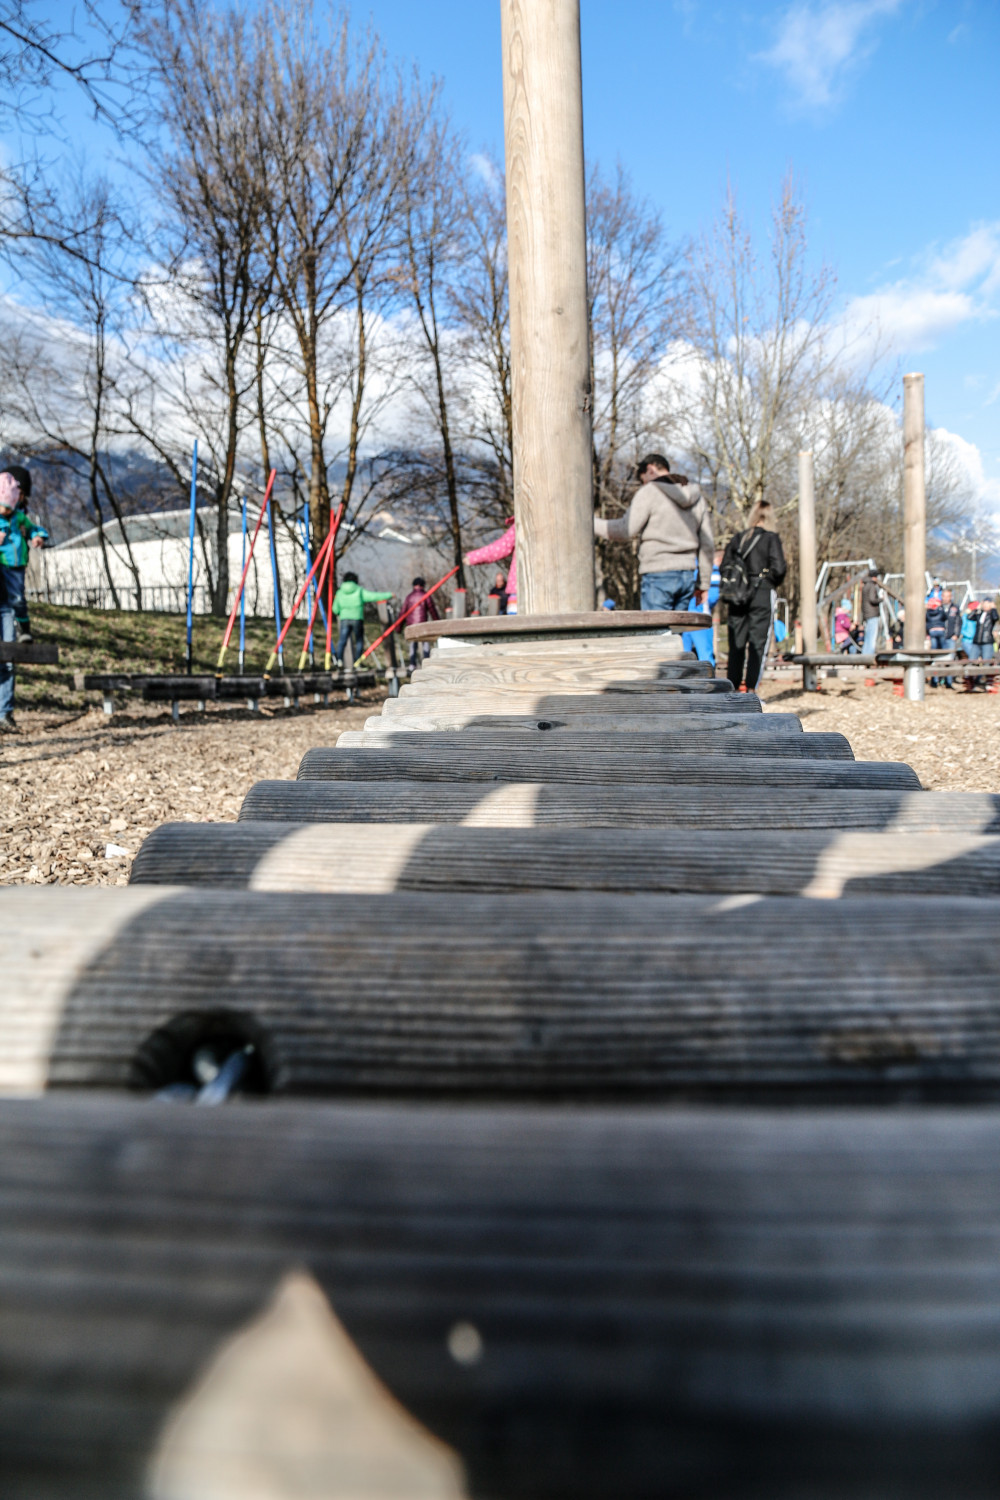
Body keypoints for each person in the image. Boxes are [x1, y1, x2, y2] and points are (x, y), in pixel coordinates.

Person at [594, 453, 713, 611]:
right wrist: (703, 583)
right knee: (676, 633)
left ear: (650, 470)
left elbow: (625, 530)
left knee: (656, 633)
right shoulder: (697, 499)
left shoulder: (650, 492)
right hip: (687, 575)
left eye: (643, 480)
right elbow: (707, 544)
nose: (644, 484)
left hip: (658, 573)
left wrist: (589, 524)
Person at [721, 499, 786, 691]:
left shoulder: (738, 539)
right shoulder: (771, 538)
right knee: (758, 643)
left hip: (737, 594)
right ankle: (751, 689)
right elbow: (779, 568)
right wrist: (768, 579)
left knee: (736, 643)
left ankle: (732, 690)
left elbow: (725, 565)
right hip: (761, 592)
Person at [0, 466, 47, 644]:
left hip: (16, 564)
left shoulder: (19, 517)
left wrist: (37, 536)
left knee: (17, 599)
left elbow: (33, 528)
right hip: (2, 563)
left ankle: (23, 629)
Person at [331, 571, 393, 668]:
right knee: (359, 640)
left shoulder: (339, 593)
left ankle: (339, 660)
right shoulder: (359, 590)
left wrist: (341, 612)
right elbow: (373, 596)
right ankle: (357, 662)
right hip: (357, 618)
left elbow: (335, 609)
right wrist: (389, 595)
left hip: (344, 619)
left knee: (342, 640)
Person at [466, 521, 517, 612]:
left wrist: (473, 557)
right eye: (498, 580)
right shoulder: (494, 590)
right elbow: (502, 547)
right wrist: (473, 557)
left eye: (501, 580)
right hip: (515, 593)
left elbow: (502, 547)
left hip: (519, 589)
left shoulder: (519, 524)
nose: (500, 582)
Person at [682, 548, 722, 666]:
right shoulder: (709, 569)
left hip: (681, 617)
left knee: (681, 656)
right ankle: (709, 682)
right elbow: (713, 596)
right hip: (700, 616)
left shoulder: (682, 567)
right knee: (705, 656)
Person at [401, 576, 440, 671]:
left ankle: (412, 664)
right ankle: (426, 662)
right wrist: (438, 622)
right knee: (425, 643)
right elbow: (432, 610)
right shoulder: (426, 595)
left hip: (411, 625)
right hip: (423, 624)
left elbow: (403, 612)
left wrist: (398, 627)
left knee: (412, 644)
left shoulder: (409, 597)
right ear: (423, 585)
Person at [968, 595, 998, 689]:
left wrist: (993, 608)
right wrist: (977, 608)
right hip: (977, 641)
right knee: (972, 661)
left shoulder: (991, 614)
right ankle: (971, 684)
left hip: (987, 641)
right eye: (984, 604)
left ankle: (988, 684)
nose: (985, 606)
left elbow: (996, 617)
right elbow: (969, 617)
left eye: (987, 604)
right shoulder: (979, 613)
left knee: (987, 662)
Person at [860, 567, 883, 655]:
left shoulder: (865, 585)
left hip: (867, 613)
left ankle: (865, 654)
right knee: (872, 637)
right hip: (872, 613)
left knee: (868, 636)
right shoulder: (872, 586)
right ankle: (869, 655)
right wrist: (881, 599)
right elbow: (872, 599)